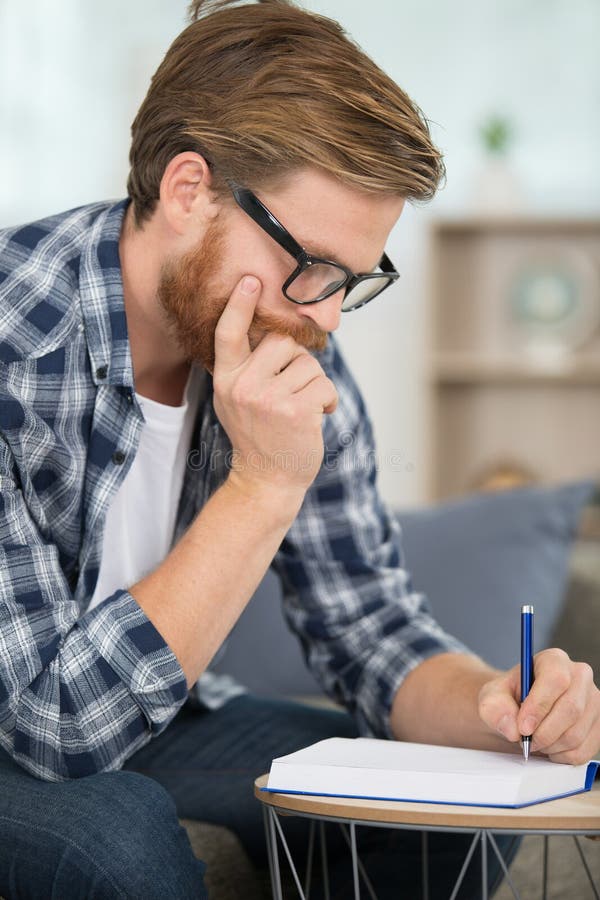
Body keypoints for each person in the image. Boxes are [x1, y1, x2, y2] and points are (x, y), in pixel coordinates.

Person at [0, 0, 598, 896]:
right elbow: (55, 728)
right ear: (187, 189)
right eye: (310, 264)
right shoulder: (17, 342)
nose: (322, 316)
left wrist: (495, 709)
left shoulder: (286, 339)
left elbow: (368, 626)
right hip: (26, 725)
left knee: (445, 804)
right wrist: (262, 487)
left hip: (159, 717)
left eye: (353, 282)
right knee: (111, 839)